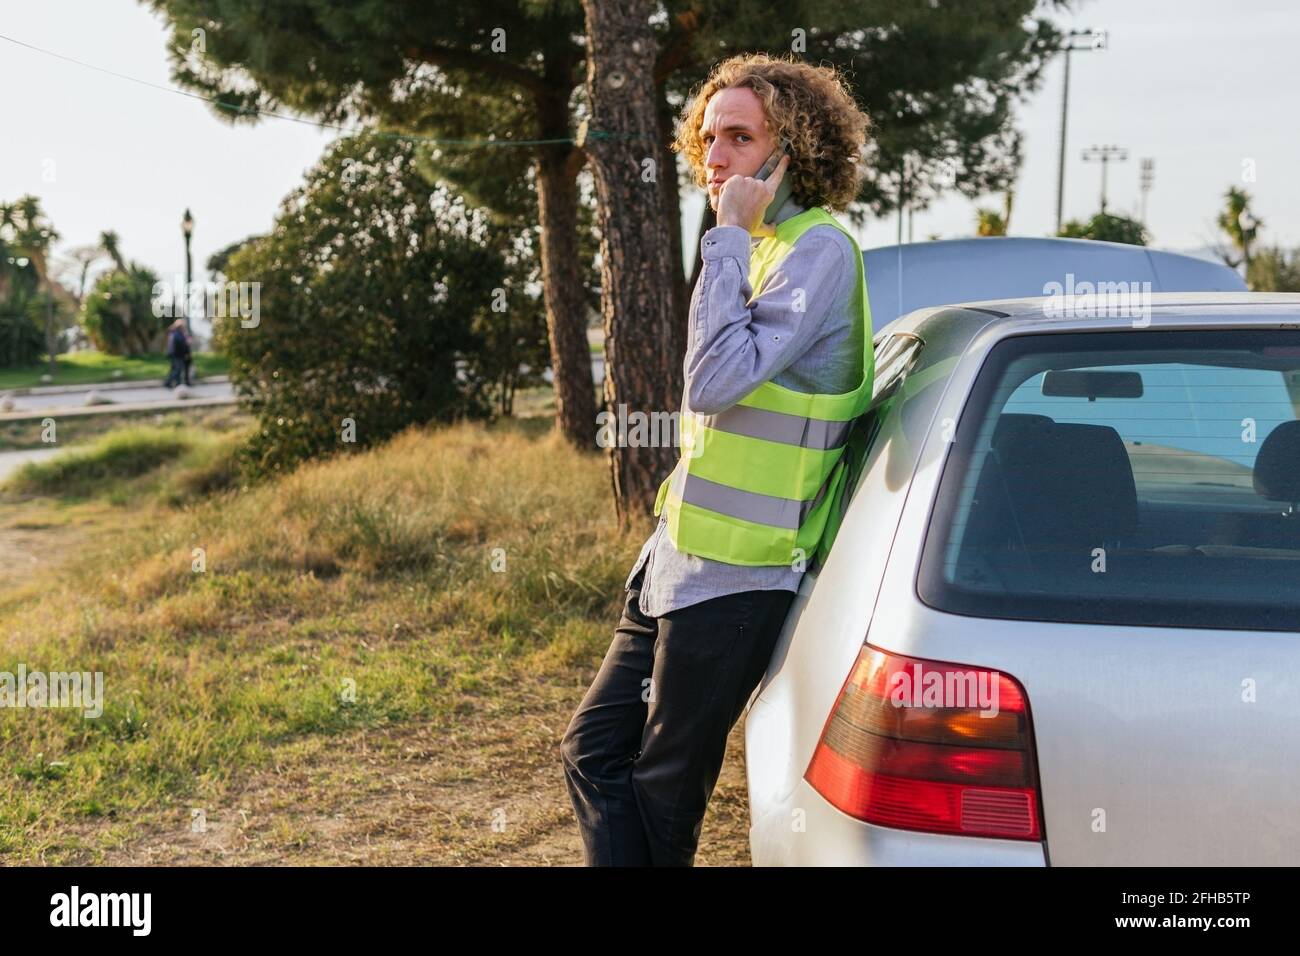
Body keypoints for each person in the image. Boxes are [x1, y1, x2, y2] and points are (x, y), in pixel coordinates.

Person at [561, 52, 875, 866]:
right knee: (593, 751)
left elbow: (711, 381)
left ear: (792, 148)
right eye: (707, 139)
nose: (716, 158)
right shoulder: (759, 249)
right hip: (676, 561)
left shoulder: (818, 252)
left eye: (740, 137)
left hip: (742, 577)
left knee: (666, 785)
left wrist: (726, 236)